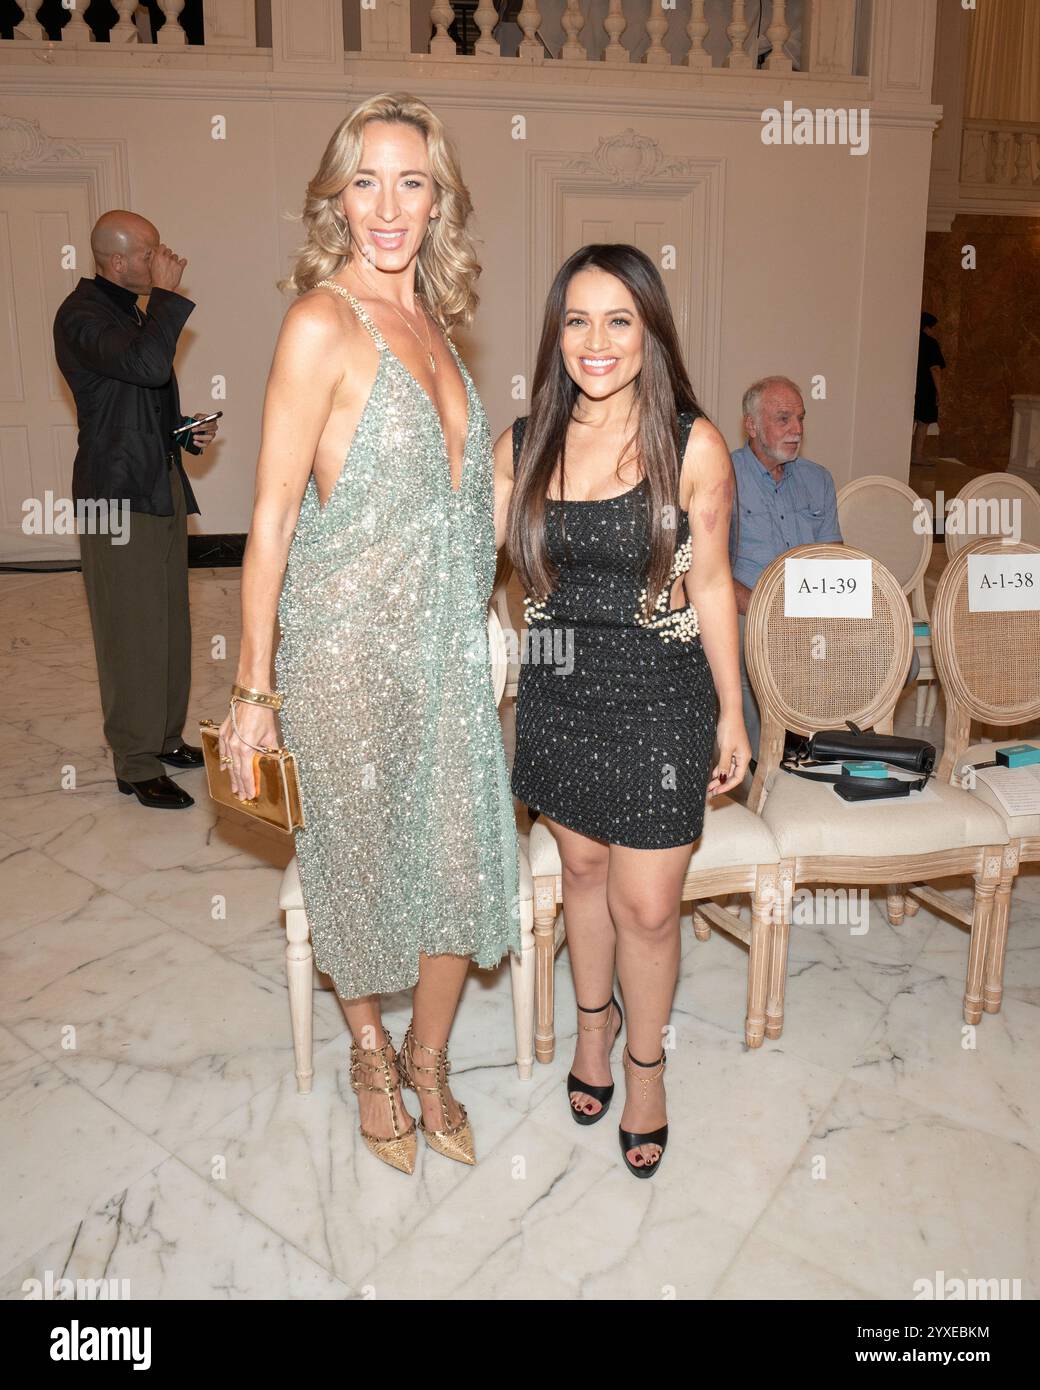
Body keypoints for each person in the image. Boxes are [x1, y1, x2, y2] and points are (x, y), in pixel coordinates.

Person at [219, 93, 519, 1176]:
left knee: (455, 861)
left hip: (444, 648)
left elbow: (457, 503)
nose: (387, 206)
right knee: (353, 867)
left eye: (411, 182)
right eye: (366, 181)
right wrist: (254, 689)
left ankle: (428, 1057)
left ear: (439, 201)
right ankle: (367, 1052)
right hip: (344, 653)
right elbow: (273, 513)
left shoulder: (435, 327)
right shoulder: (321, 323)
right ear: (335, 199)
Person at [498, 244, 749, 1178]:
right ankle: (592, 1038)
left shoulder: (695, 444)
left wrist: (732, 710)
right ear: (555, 334)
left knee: (648, 906)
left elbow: (715, 583)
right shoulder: (522, 444)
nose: (594, 341)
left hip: (661, 694)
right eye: (576, 319)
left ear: (650, 333)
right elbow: (468, 568)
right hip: (562, 689)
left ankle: (647, 1070)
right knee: (585, 874)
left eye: (617, 321)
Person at [53, 212, 218, 809]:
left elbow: (133, 395)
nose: (165, 258)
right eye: (152, 252)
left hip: (155, 481)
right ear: (117, 261)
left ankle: (165, 738)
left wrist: (178, 429)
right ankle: (134, 761)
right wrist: (170, 298)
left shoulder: (126, 311)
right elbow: (147, 366)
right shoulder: (81, 315)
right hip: (113, 495)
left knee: (168, 617)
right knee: (129, 630)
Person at [729, 376, 842, 762]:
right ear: (752, 425)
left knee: (895, 654)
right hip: (750, 607)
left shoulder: (818, 479)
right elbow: (707, 574)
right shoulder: (723, 476)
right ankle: (764, 762)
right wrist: (765, 608)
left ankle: (836, 741)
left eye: (800, 418)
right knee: (758, 647)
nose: (797, 430)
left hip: (813, 606)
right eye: (783, 419)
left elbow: (833, 559)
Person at [913, 311, 945, 466]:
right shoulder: (931, 343)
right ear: (927, 327)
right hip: (925, 389)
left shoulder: (910, 340)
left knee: (909, 420)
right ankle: (917, 455)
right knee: (922, 423)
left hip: (910, 387)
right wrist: (940, 392)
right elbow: (935, 369)